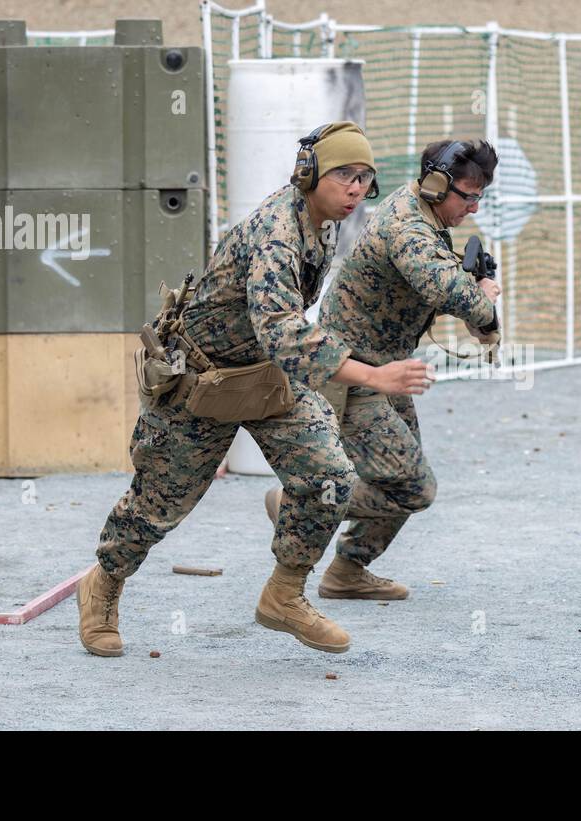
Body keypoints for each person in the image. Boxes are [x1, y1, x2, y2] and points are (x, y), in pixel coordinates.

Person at [77, 122, 435, 657]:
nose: (356, 189)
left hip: (267, 376)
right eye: (344, 175)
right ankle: (102, 584)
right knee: (158, 506)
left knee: (329, 478)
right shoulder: (278, 232)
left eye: (365, 178)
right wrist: (372, 376)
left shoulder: (325, 225)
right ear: (309, 174)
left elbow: (284, 334)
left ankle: (284, 596)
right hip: (202, 380)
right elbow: (283, 329)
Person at [261, 139, 501, 601]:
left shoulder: (426, 216)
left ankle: (348, 571)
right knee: (414, 487)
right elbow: (444, 287)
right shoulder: (408, 224)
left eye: (479, 198)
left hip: (385, 366)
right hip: (350, 372)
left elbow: (443, 281)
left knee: (399, 474)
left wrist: (475, 297)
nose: (472, 207)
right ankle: (300, 502)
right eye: (466, 196)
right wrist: (482, 303)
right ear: (435, 185)